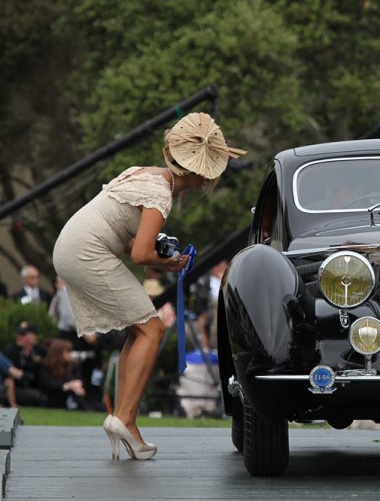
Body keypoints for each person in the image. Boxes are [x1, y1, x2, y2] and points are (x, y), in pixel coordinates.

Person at [52, 112, 245, 460]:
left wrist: (161, 257)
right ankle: (124, 418)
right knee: (153, 330)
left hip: (73, 247)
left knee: (140, 330)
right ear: (202, 173)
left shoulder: (147, 176)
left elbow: (124, 238)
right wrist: (167, 263)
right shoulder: (161, 195)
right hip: (85, 253)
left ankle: (124, 422)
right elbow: (141, 255)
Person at [2, 322, 47, 407]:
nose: (20, 337)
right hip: (16, 387)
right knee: (36, 396)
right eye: (19, 334)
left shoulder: (39, 350)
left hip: (33, 385)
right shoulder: (11, 350)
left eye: (24, 335)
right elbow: (7, 374)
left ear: (34, 336)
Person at [39, 339, 87, 409]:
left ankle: (84, 408)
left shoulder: (71, 365)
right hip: (52, 396)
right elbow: (49, 384)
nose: (70, 354)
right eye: (67, 351)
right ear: (59, 352)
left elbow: (80, 379)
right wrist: (69, 386)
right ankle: (85, 408)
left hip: (69, 394)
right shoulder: (46, 366)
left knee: (73, 383)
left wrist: (75, 385)